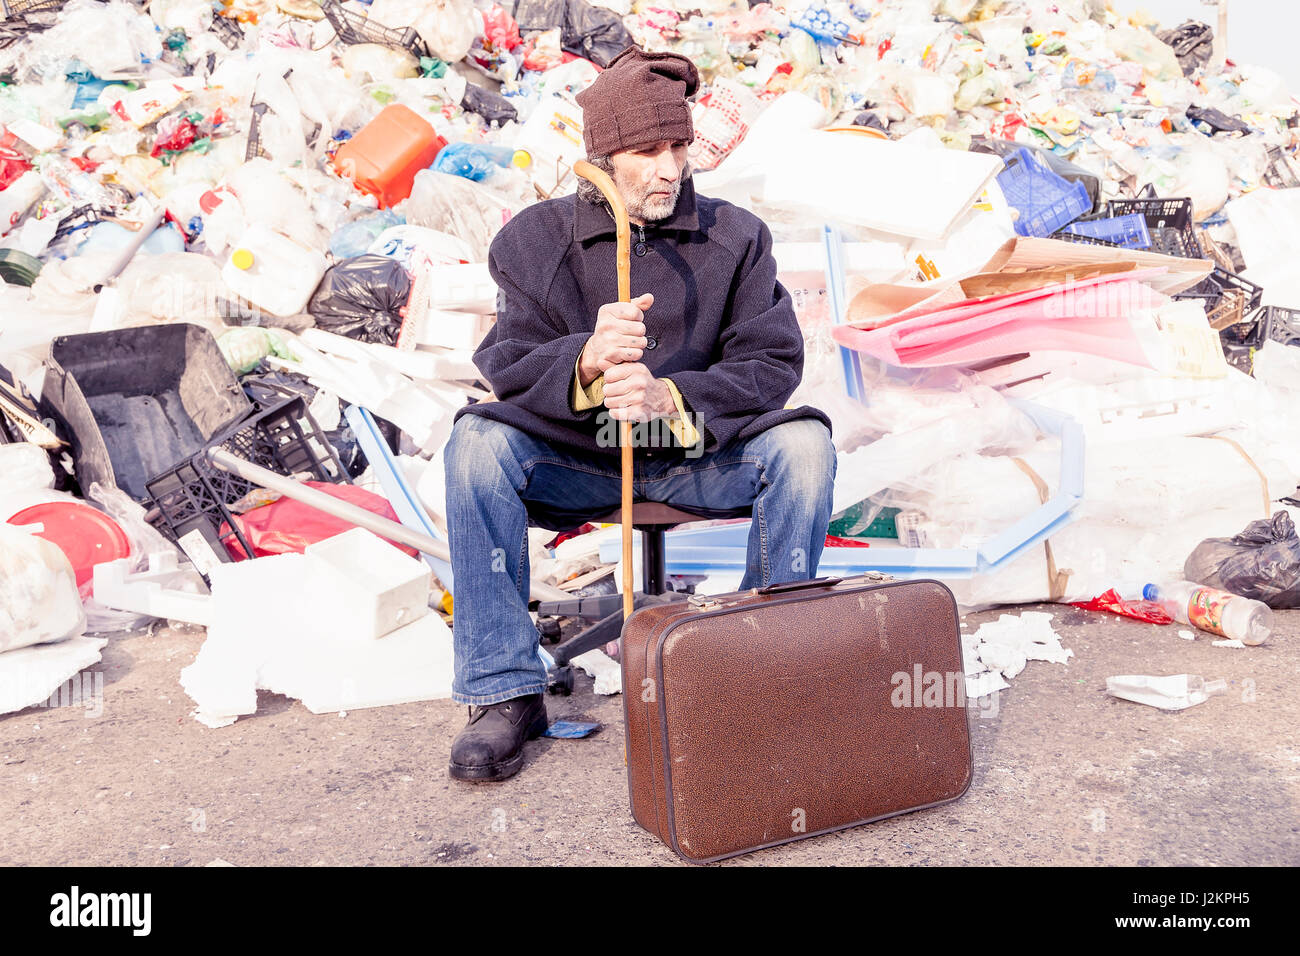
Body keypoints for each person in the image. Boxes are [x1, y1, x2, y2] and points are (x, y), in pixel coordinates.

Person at [442, 46, 836, 782]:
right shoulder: (532, 242)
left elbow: (773, 362)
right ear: (603, 156)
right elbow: (506, 362)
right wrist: (585, 361)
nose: (669, 169)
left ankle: (755, 681)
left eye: (679, 147)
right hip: (584, 461)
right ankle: (505, 690)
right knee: (475, 442)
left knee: (806, 444)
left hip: (696, 455)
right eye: (647, 151)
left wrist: (673, 398)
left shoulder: (737, 237)